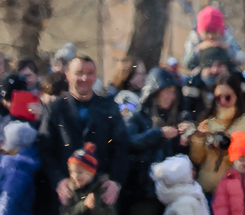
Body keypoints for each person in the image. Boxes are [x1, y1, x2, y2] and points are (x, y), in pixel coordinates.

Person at [39, 55, 129, 210]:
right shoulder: (55, 109)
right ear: (68, 76)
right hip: (68, 191)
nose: (84, 78)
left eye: (90, 73)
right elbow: (45, 149)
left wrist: (115, 181)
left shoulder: (109, 108)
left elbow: (121, 147)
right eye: (79, 73)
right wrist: (58, 180)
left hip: (101, 191)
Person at [189, 74, 245, 195]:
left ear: (238, 96)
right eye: (218, 98)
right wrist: (199, 138)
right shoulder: (208, 121)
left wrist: (229, 144)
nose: (223, 101)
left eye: (228, 97)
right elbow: (197, 159)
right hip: (206, 190)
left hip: (236, 193)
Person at [125, 67, 188, 214]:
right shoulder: (137, 117)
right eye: (167, 91)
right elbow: (130, 142)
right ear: (154, 92)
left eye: (173, 92)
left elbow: (176, 155)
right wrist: (159, 133)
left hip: (171, 192)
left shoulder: (176, 118)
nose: (171, 96)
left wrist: (184, 143)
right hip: (142, 193)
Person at [0, 121, 40, 215]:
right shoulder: (6, 162)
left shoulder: (16, 172)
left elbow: (7, 205)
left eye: (7, 139)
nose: (3, 142)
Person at [182, 7, 245, 72]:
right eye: (206, 33)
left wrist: (228, 49)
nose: (210, 36)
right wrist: (198, 49)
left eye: (214, 32)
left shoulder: (228, 39)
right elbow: (186, 63)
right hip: (201, 74)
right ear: (200, 31)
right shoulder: (194, 40)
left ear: (220, 31)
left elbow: (241, 60)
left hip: (224, 75)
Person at [61, 143, 115, 215]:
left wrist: (94, 207)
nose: (75, 176)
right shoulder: (70, 190)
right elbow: (65, 212)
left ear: (91, 173)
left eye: (80, 172)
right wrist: (83, 205)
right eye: (72, 172)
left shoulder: (102, 188)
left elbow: (111, 212)